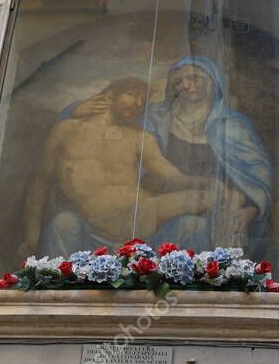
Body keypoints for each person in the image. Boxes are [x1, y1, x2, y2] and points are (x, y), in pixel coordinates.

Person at [69, 57, 273, 254]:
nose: (186, 84)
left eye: (194, 78)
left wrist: (251, 209)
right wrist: (75, 110)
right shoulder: (154, 116)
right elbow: (108, 121)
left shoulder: (233, 125)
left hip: (214, 212)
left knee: (196, 226)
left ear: (211, 82)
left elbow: (257, 175)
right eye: (178, 81)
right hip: (150, 214)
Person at [24, 77, 218, 256]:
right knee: (64, 223)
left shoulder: (140, 137)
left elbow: (172, 176)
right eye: (132, 94)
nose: (138, 103)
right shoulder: (68, 130)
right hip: (92, 221)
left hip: (139, 216)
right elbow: (41, 182)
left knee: (197, 221)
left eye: (143, 99)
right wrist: (31, 232)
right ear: (109, 96)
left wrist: (210, 182)